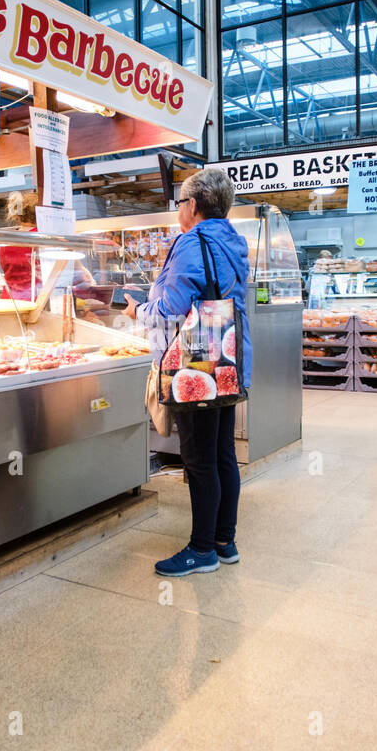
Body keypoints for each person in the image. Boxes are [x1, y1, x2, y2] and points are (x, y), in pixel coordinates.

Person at [123, 168, 253, 578]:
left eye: (180, 203)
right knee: (222, 453)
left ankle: (201, 550)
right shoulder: (232, 240)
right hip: (228, 360)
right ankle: (223, 541)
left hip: (196, 363)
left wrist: (137, 310)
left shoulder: (191, 241)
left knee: (198, 459)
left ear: (192, 205)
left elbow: (171, 309)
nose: (179, 210)